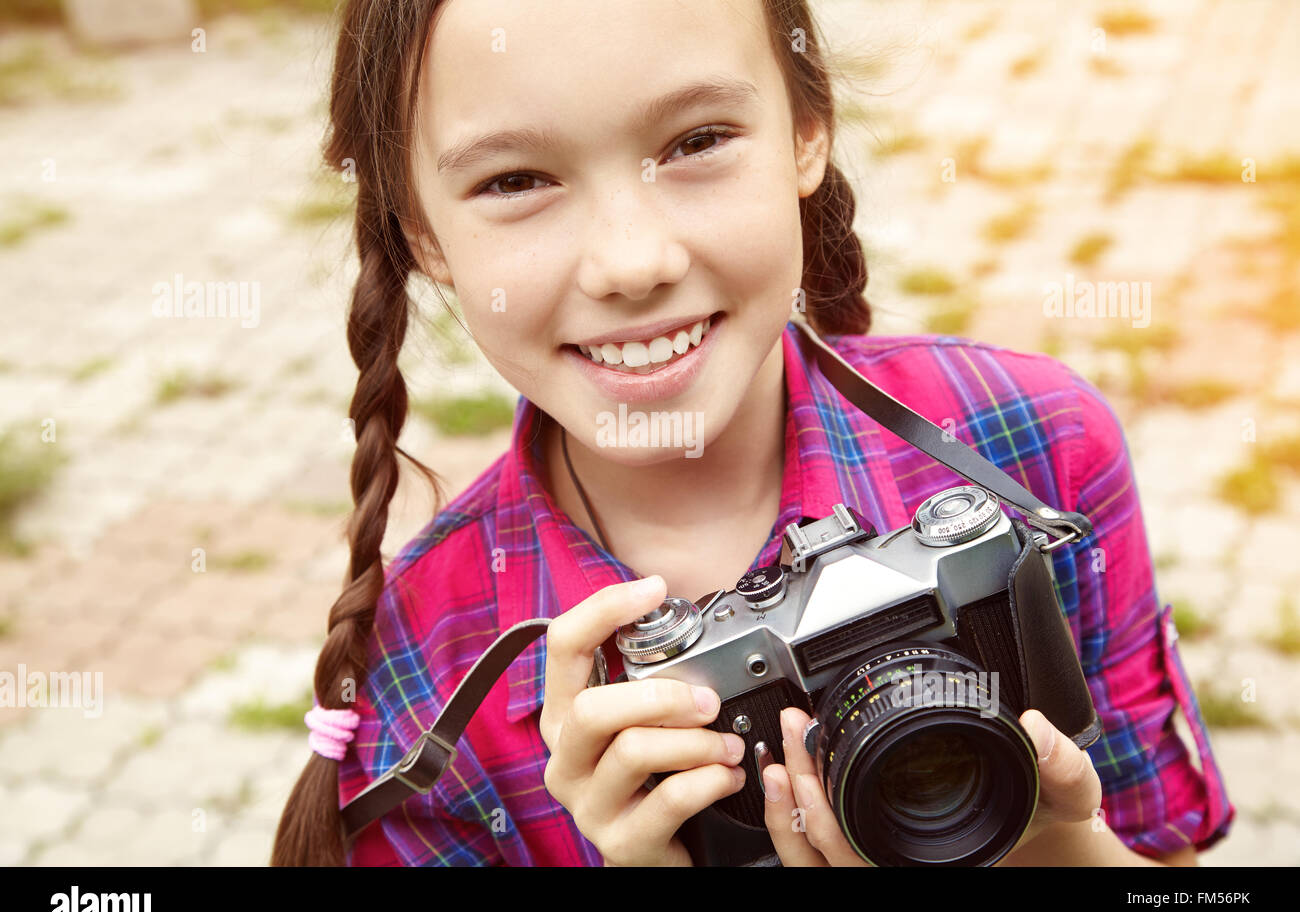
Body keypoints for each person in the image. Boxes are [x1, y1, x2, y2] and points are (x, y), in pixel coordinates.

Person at [272, 0, 1234, 867]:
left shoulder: (1037, 446)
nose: (632, 261)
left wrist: (1051, 849)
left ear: (807, 132)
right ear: (422, 234)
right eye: (517, 178)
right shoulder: (428, 668)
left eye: (696, 142)